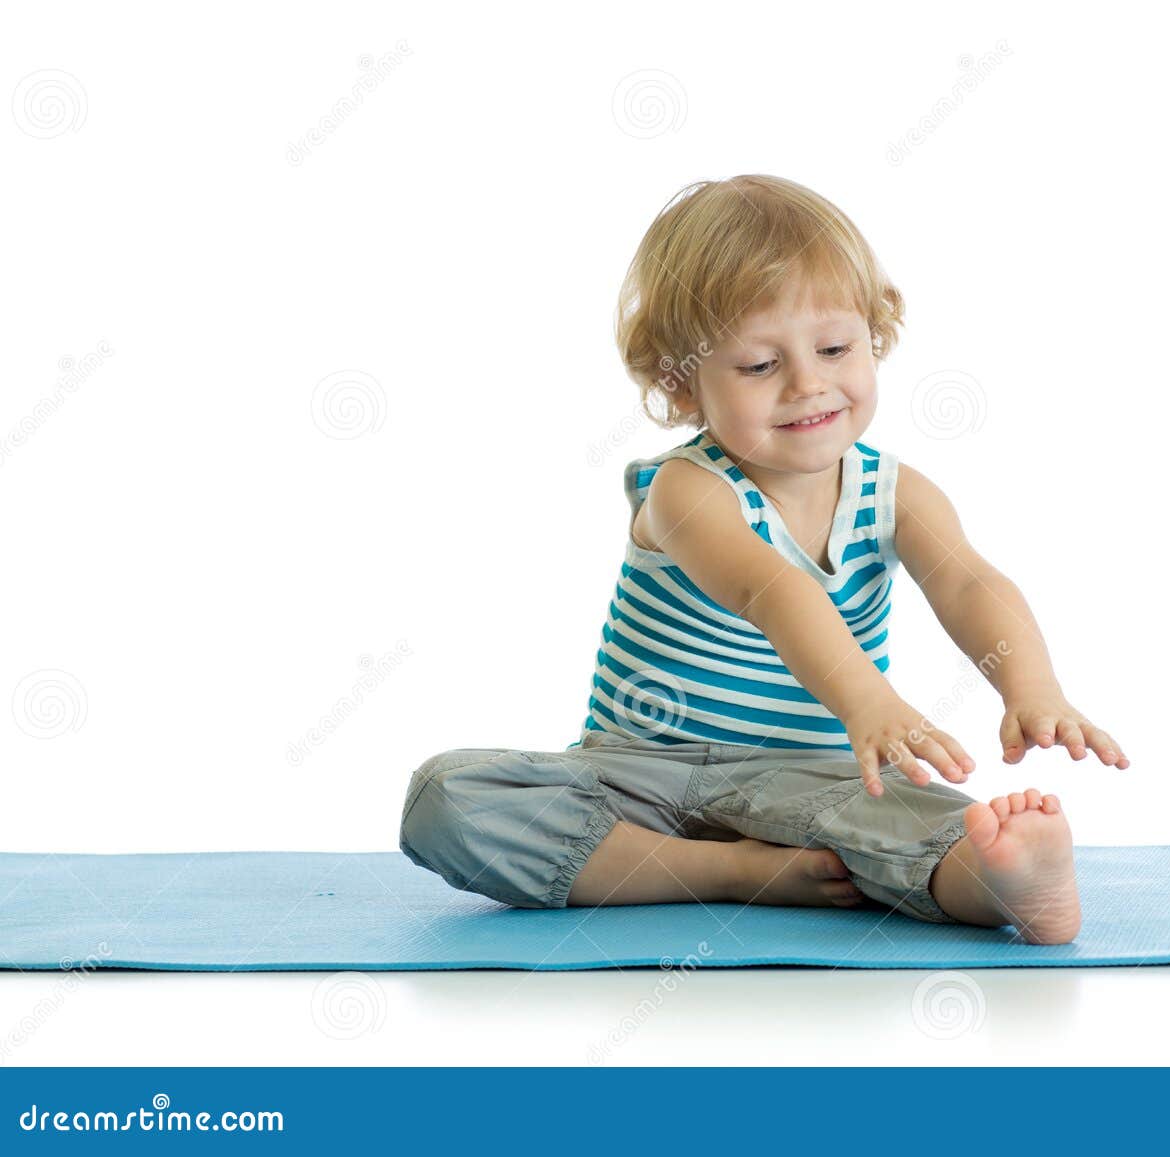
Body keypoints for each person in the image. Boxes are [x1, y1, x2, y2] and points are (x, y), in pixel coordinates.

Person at [398, 174, 1130, 944]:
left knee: (916, 823)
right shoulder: (685, 491)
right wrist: (868, 703)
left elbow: (966, 579)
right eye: (758, 365)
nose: (807, 383)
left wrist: (1032, 686)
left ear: (873, 336)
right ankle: (738, 871)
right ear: (684, 386)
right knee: (449, 798)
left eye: (835, 348)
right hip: (636, 774)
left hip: (804, 781)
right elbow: (770, 588)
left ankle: (1008, 882)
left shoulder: (895, 492)